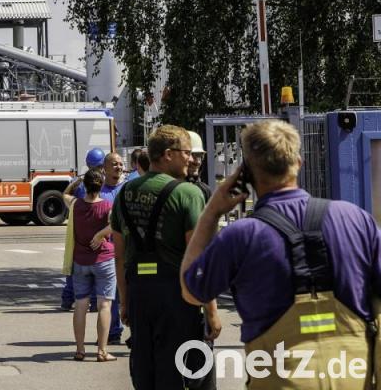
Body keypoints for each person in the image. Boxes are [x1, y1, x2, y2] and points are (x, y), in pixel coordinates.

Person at [181, 120, 381, 387]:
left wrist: (212, 211)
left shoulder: (240, 236)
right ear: (299, 162)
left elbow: (191, 291)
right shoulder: (355, 219)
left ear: (247, 175)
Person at [111, 125, 221, 389]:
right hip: (177, 298)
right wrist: (211, 311)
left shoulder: (125, 193)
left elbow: (119, 254)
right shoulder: (187, 193)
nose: (191, 159)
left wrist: (124, 302)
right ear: (169, 154)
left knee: (146, 370)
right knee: (187, 372)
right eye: (187, 153)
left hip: (139, 293)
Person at [63, 170, 117, 362]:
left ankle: (80, 350)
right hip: (104, 260)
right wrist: (101, 234)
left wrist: (75, 182)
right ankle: (102, 351)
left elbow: (65, 194)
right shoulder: (107, 206)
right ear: (101, 186)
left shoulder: (75, 204)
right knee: (104, 305)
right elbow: (117, 224)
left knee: (80, 305)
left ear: (85, 185)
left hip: (80, 261)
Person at [61, 147, 107, 312]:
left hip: (78, 233)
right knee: (96, 270)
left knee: (74, 269)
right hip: (96, 234)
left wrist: (74, 181)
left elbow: (65, 195)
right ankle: (94, 302)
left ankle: (67, 299)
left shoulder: (80, 185)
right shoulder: (102, 186)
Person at [185, 131, 211, 204]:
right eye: (193, 155)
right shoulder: (171, 188)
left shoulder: (204, 190)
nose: (198, 162)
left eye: (200, 155)